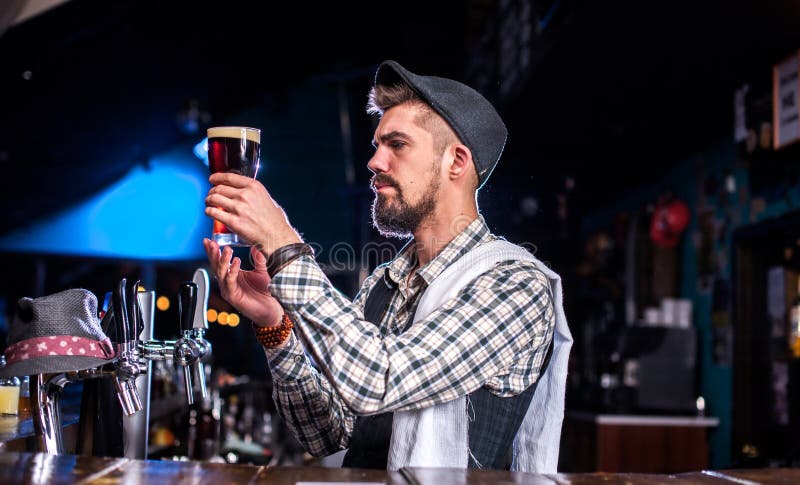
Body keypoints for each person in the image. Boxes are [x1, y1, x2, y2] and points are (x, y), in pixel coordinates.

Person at [203, 60, 572, 472]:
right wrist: (276, 326)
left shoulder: (514, 285)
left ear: (456, 162)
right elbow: (327, 433)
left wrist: (283, 244)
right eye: (378, 145)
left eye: (397, 144)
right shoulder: (386, 281)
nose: (375, 162)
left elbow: (378, 379)